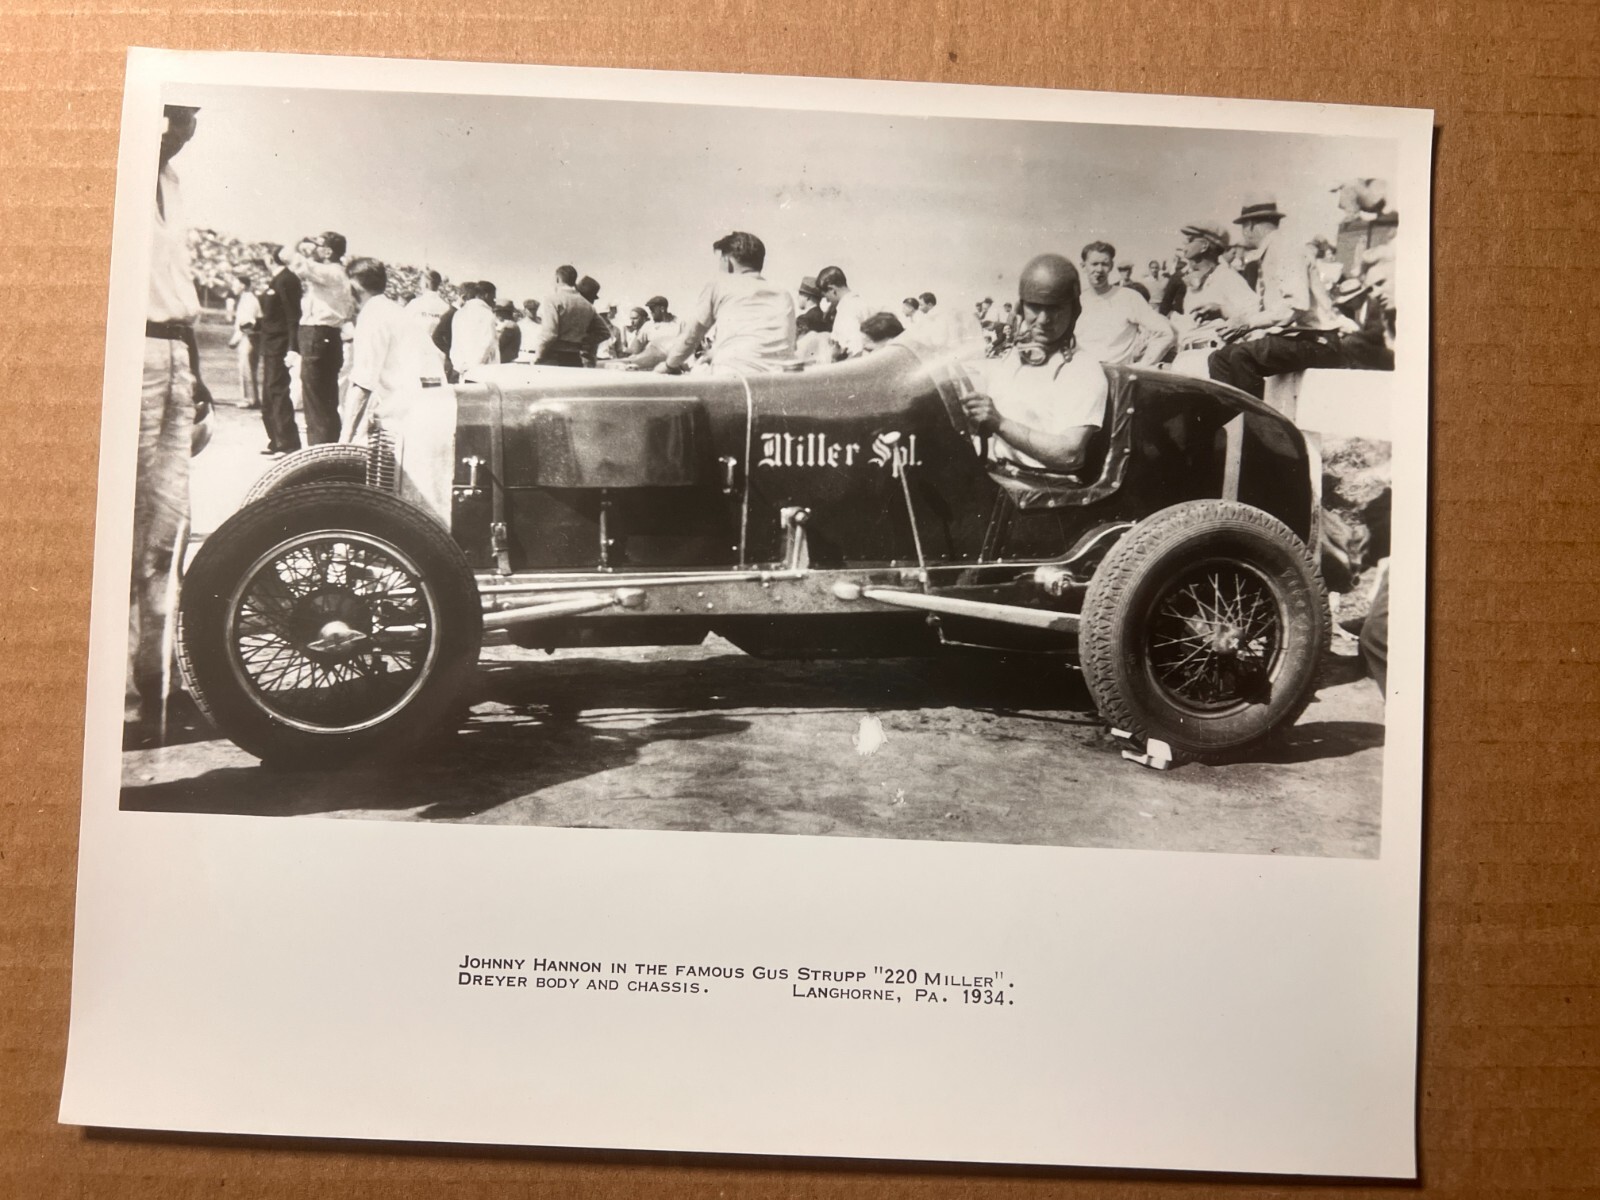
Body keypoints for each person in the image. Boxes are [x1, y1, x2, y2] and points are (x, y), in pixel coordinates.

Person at [130, 103, 204, 736]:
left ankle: (155, 694)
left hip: (176, 352)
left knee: (166, 536)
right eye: (171, 116)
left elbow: (176, 282)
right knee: (121, 531)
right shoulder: (114, 174)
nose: (181, 130)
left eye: (189, 118)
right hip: (133, 350)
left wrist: (197, 369)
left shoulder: (173, 185)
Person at [959, 254, 1108, 474]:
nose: (1044, 320)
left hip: (1041, 490)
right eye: (1035, 307)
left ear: (1074, 311)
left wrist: (998, 422)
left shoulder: (1082, 369)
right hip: (997, 475)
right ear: (1021, 307)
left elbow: (1070, 453)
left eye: (1056, 309)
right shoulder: (1015, 356)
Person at [1206, 195, 1350, 399]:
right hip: (1297, 341)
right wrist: (1231, 318)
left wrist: (1247, 324)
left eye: (1243, 227)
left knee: (1242, 355)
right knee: (1218, 358)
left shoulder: (1286, 248)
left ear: (1250, 225)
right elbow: (1266, 308)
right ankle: (1225, 422)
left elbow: (1295, 306)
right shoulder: (1272, 251)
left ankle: (1265, 429)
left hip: (1320, 342)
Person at [658, 231, 796, 376]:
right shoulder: (783, 293)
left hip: (735, 376)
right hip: (779, 378)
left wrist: (668, 365)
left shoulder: (719, 285)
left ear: (728, 261)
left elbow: (691, 336)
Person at [342, 256, 447, 441]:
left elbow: (363, 384)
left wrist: (343, 440)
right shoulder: (392, 310)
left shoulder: (372, 316)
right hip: (433, 403)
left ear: (353, 288)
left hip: (409, 413)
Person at [283, 231, 355, 443]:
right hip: (327, 336)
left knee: (315, 402)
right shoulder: (337, 272)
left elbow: (286, 255)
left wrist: (300, 241)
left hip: (317, 333)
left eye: (320, 245)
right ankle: (328, 450)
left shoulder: (329, 271)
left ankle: (320, 451)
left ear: (328, 251)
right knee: (326, 401)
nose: (315, 247)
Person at [1074, 241, 1174, 365]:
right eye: (1094, 264)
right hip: (1082, 372)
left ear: (1111, 266)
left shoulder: (1129, 297)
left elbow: (1164, 332)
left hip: (1117, 376)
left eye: (1104, 264)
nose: (1099, 269)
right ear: (1083, 266)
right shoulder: (1076, 302)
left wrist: (1142, 366)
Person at [1174, 221, 1258, 345]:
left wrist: (1222, 310)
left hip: (1214, 355)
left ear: (1204, 246)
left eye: (1190, 240)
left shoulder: (1227, 277)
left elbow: (1254, 313)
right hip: (1187, 355)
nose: (1185, 245)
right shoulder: (1194, 280)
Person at [256, 243, 302, 456]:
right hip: (269, 343)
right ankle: (275, 440)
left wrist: (293, 347)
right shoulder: (277, 279)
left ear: (271, 257)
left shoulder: (287, 279)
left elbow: (293, 315)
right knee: (268, 393)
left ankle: (288, 443)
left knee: (277, 392)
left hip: (280, 344)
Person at [525, 265, 595, 367]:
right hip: (575, 358)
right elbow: (603, 332)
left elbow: (550, 334)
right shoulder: (587, 304)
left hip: (554, 358)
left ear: (557, 279)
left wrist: (538, 356)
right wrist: (582, 343)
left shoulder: (552, 300)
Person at [816, 265, 873, 357]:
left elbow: (856, 351)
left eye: (825, 296)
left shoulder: (847, 310)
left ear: (832, 289)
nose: (827, 300)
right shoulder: (861, 303)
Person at [450, 279, 500, 376]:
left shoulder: (459, 313)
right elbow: (488, 343)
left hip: (462, 369)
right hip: (483, 371)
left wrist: (460, 366)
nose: (494, 302)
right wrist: (474, 367)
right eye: (493, 298)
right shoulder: (487, 314)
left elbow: (455, 344)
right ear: (486, 295)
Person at [229, 273, 261, 409]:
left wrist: (235, 339)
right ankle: (250, 398)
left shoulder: (248, 300)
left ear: (242, 285)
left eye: (235, 284)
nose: (233, 287)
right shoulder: (245, 298)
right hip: (247, 336)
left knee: (246, 368)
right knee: (246, 368)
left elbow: (248, 323)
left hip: (249, 337)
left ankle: (250, 400)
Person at [406, 268, 451, 340]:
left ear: (425, 284)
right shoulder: (446, 307)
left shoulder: (415, 304)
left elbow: (403, 326)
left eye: (420, 282)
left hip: (417, 347)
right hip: (436, 349)